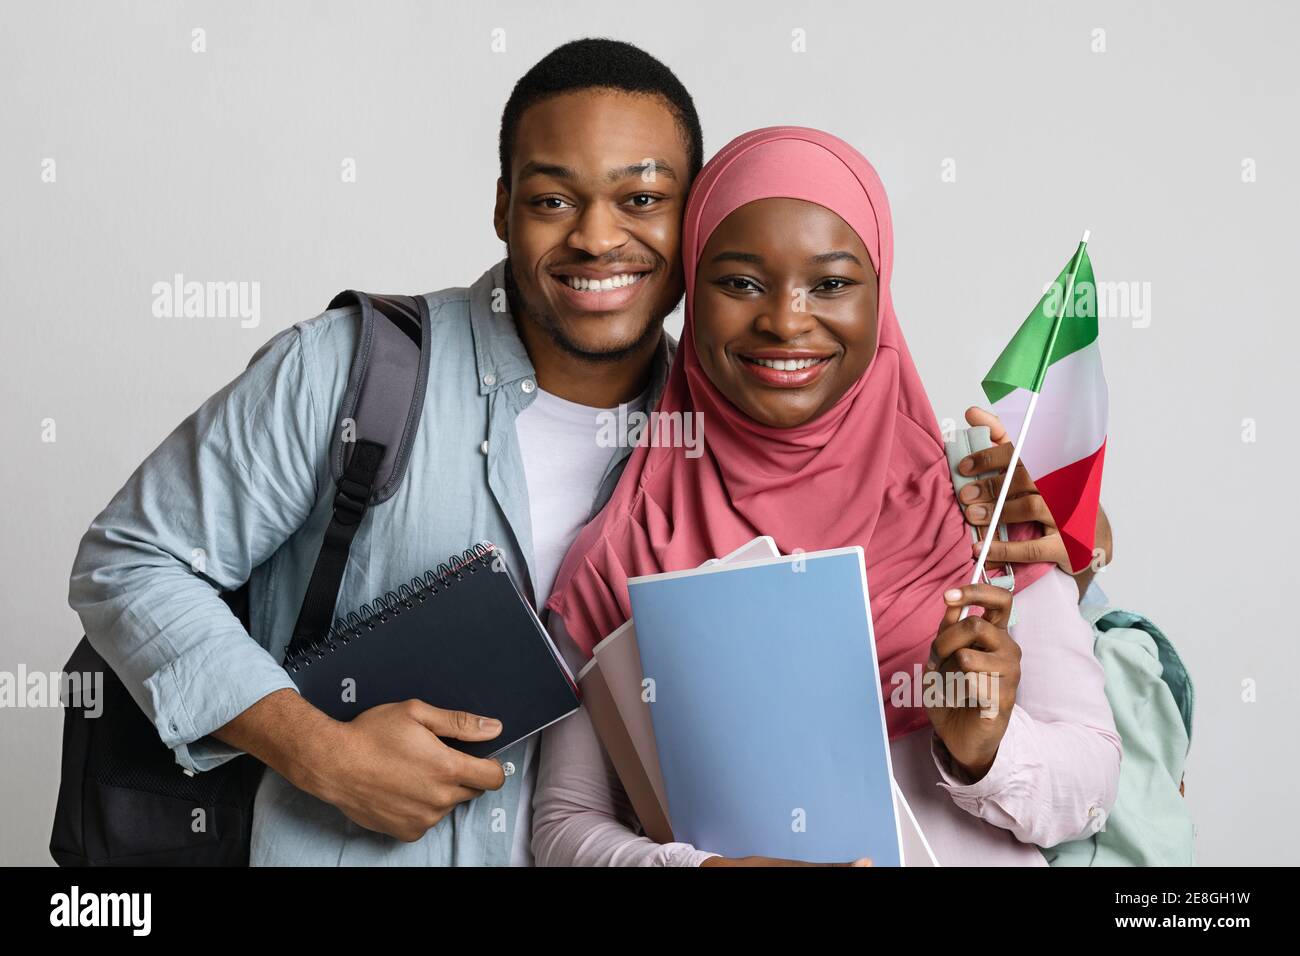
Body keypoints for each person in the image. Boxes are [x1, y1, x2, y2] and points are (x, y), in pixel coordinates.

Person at [66, 38, 701, 866]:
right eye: (553, 199)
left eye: (643, 197)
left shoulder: (723, 436)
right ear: (503, 206)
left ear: (697, 216)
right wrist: (317, 751)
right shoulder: (352, 368)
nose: (596, 237)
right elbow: (131, 559)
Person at [533, 127, 1122, 866]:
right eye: (740, 282)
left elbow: (1096, 784)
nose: (785, 319)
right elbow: (562, 828)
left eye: (833, 283)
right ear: (690, 288)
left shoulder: (982, 500)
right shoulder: (620, 549)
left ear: (881, 295)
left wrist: (988, 751)